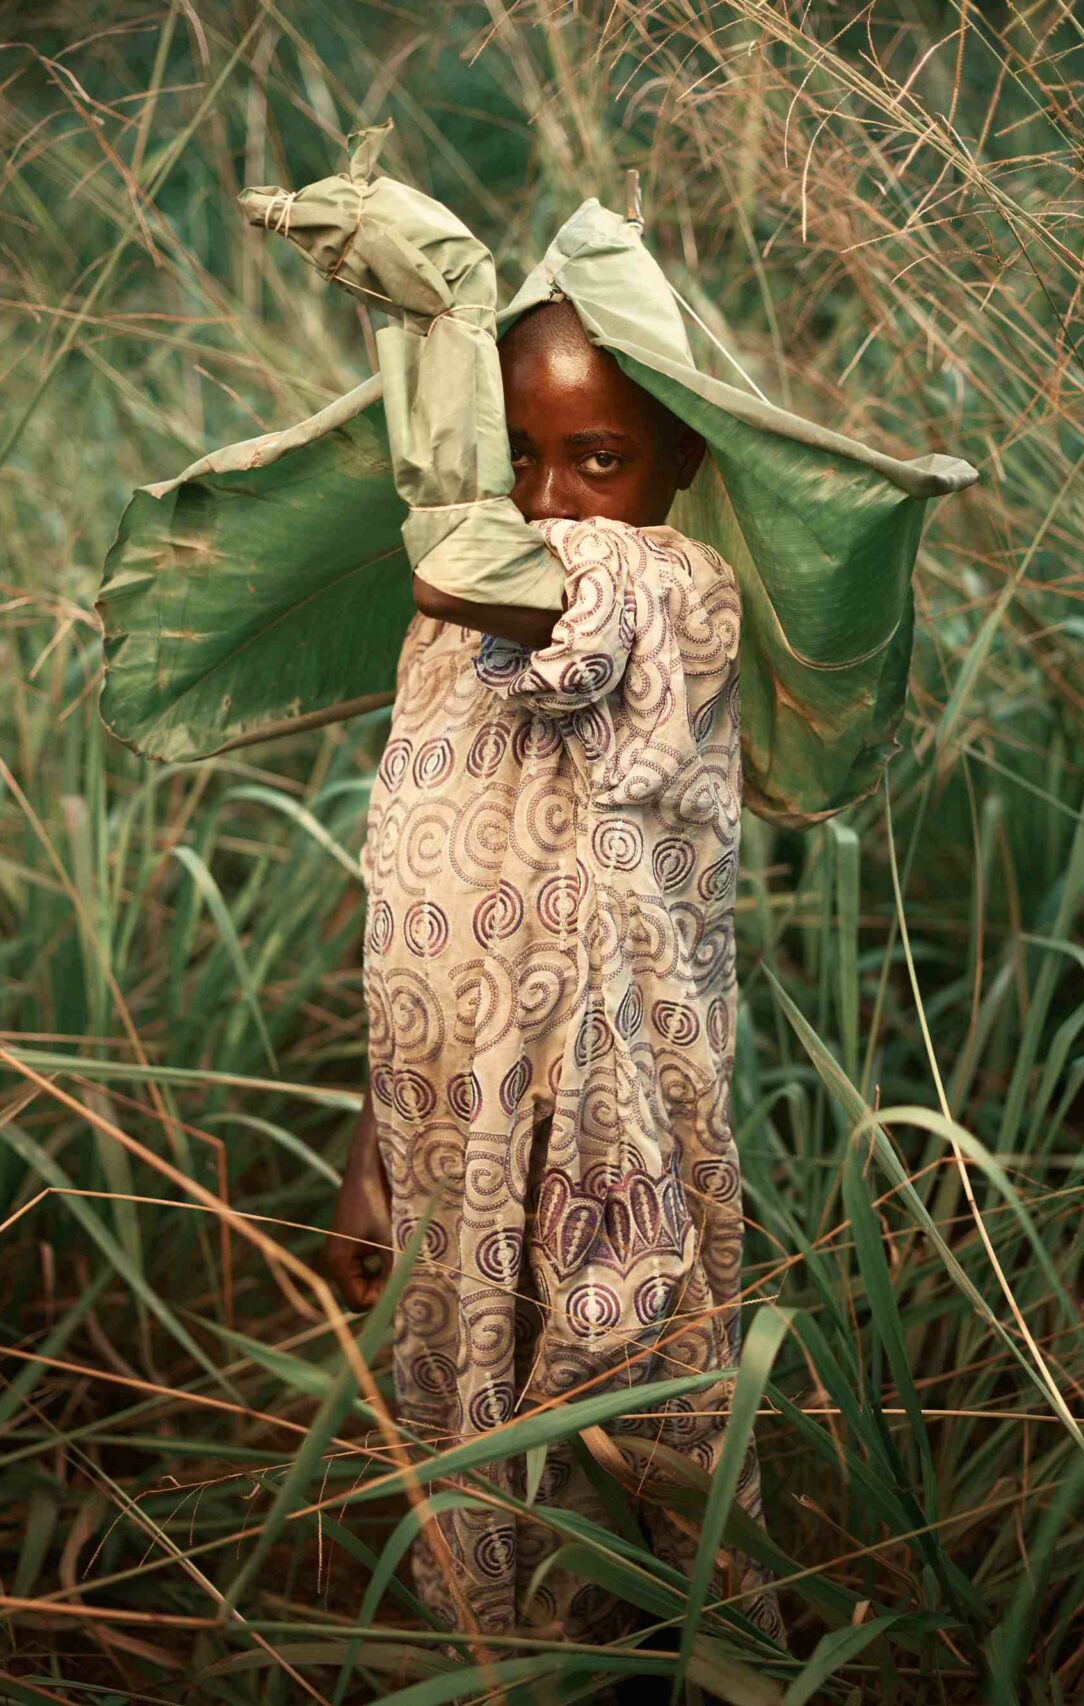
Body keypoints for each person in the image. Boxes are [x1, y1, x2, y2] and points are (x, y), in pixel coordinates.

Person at [326, 296, 788, 1650]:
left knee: (644, 1429)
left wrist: (436, 302)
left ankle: (683, 1662)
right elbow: (418, 905)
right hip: (453, 1118)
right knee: (475, 1440)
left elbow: (534, 599)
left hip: (614, 1118)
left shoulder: (667, 589)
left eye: (599, 456)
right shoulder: (454, 621)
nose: (548, 496)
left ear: (685, 457)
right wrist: (372, 1147)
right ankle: (508, 1663)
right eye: (511, 453)